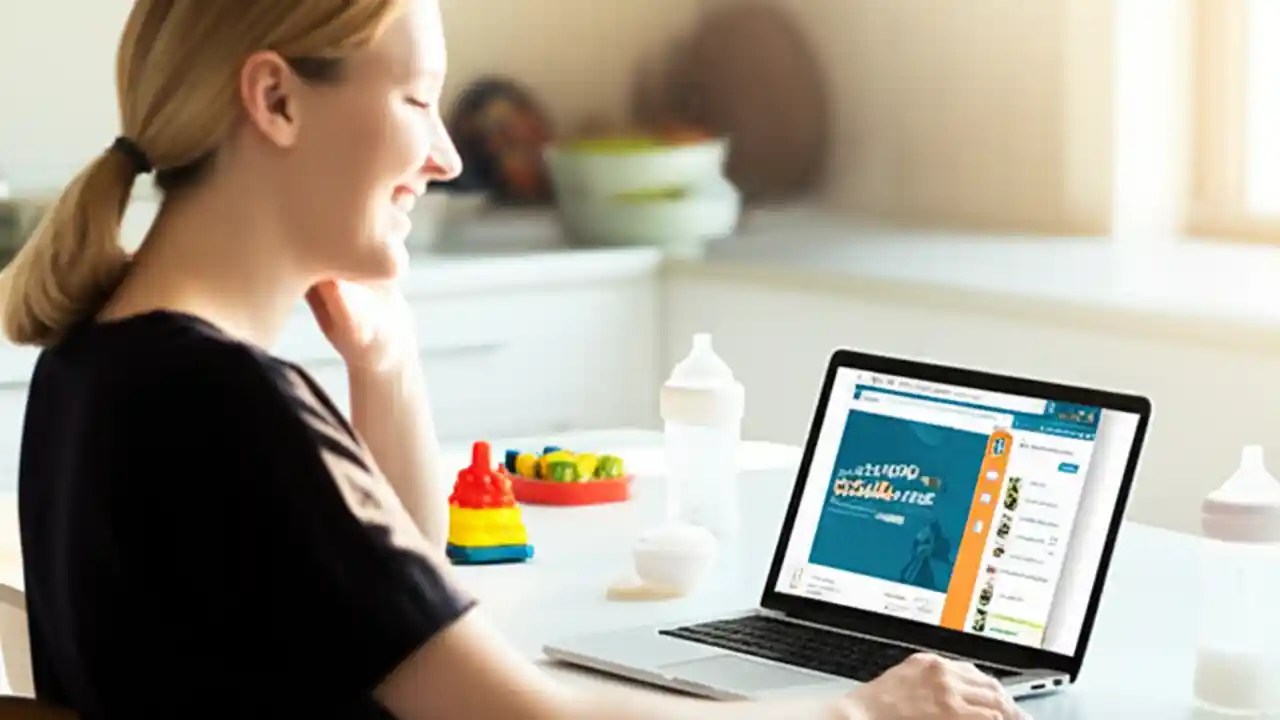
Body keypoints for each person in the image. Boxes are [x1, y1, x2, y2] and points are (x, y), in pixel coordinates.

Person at [0, 1, 1029, 718]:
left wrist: (388, 371)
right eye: (415, 101)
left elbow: (409, 613)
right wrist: (856, 706)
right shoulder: (226, 405)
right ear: (274, 100)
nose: (446, 155)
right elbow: (512, 713)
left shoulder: (97, 360)